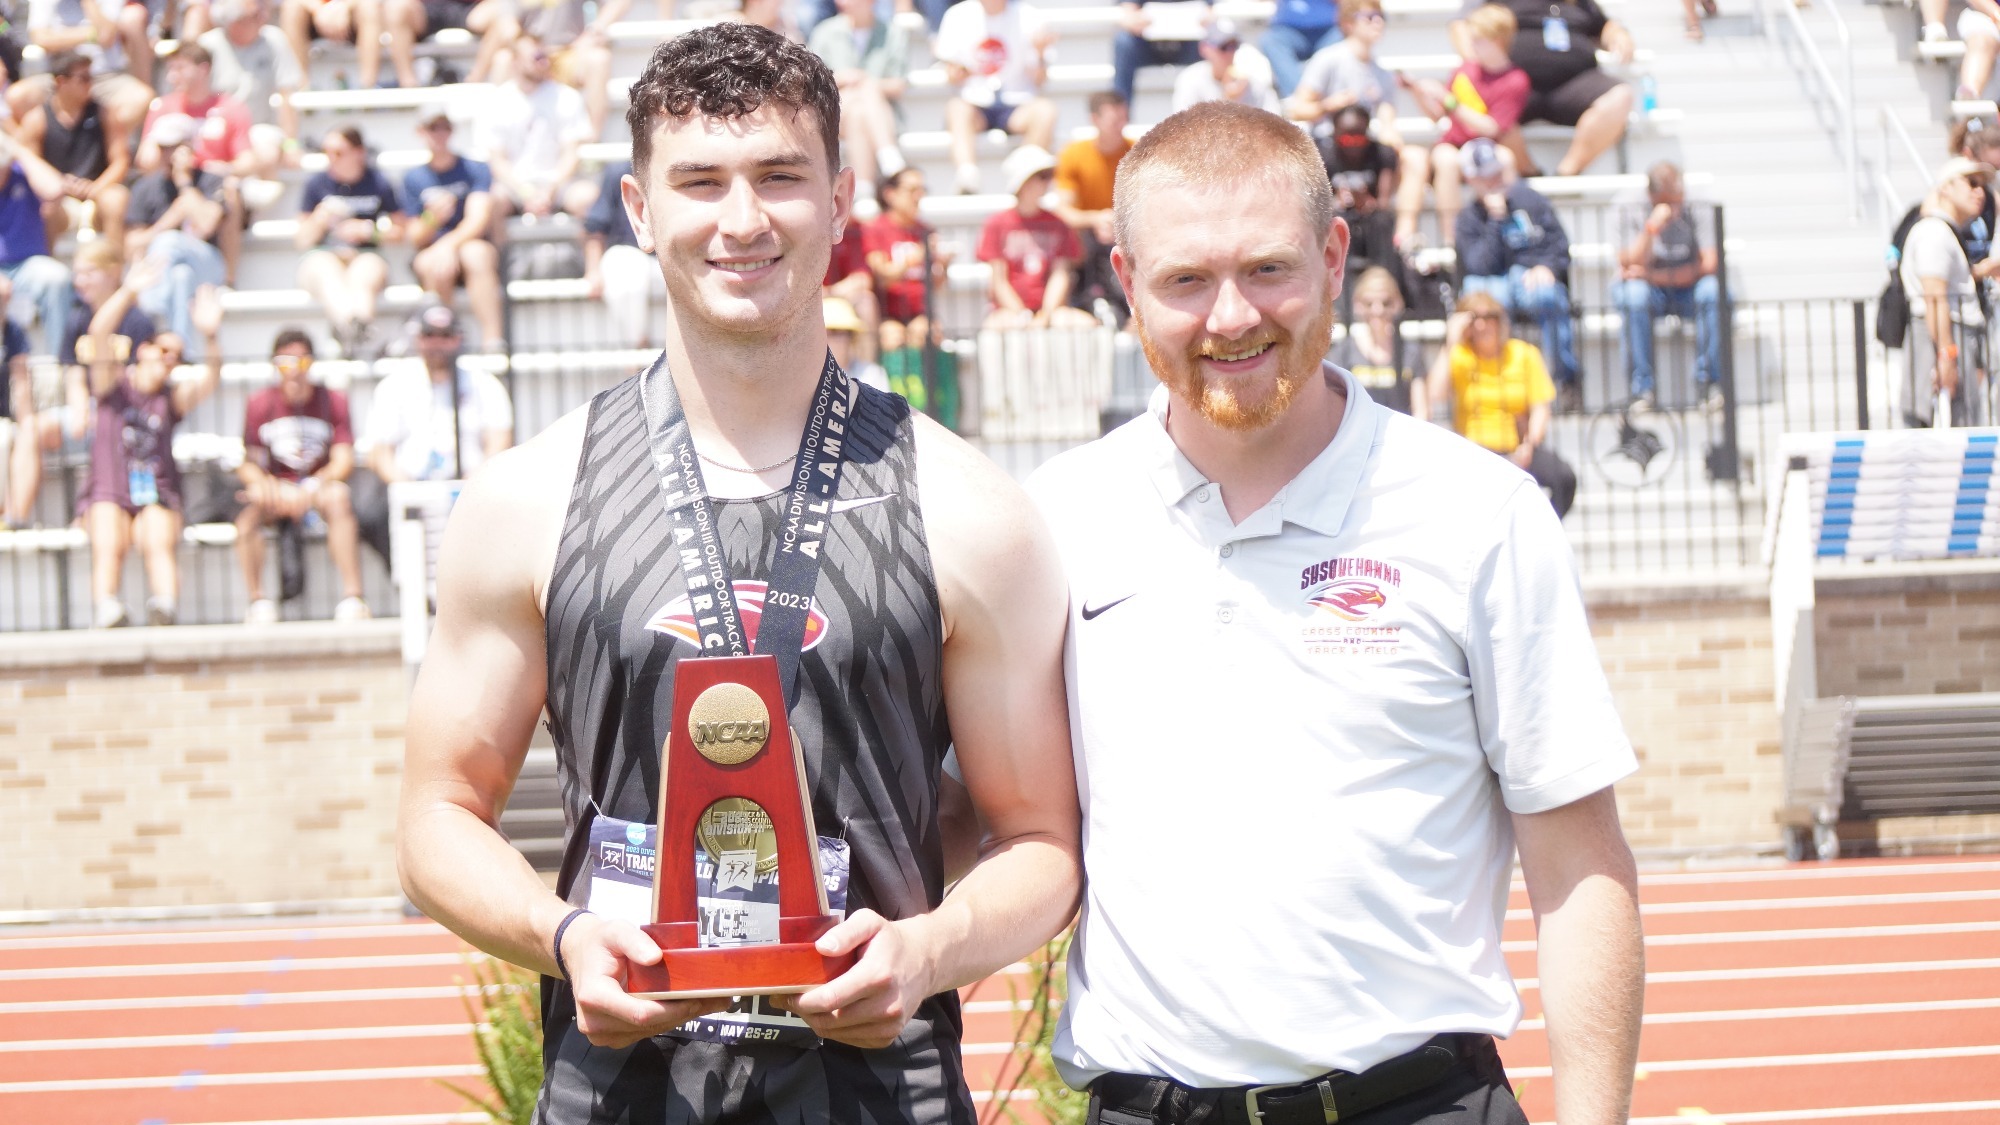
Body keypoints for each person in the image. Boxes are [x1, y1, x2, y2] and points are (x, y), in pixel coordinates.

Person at [395, 24, 1081, 1123]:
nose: (743, 219)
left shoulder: (969, 509)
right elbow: (435, 814)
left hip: (879, 1090)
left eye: (779, 176)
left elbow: (1041, 838)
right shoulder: (527, 497)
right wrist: (561, 936)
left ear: (842, 198)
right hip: (617, 1089)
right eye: (700, 181)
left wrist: (925, 950)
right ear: (636, 207)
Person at [1026, 100, 1636, 1125]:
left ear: (1334, 255)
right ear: (1126, 285)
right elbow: (995, 826)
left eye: (1267, 269)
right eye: (1185, 280)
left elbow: (1579, 869)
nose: (1231, 318)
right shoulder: (1051, 521)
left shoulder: (1477, 513)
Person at [80, 271, 224, 627]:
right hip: (108, 490)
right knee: (109, 538)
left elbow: (212, 377)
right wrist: (128, 290)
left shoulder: (170, 399)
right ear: (143, 350)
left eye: (177, 355)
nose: (170, 358)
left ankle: (165, 607)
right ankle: (107, 607)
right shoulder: (113, 385)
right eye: (164, 350)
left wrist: (210, 335)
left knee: (157, 538)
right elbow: (98, 333)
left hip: (155, 492)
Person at [352, 304, 512, 565]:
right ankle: (405, 576)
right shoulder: (394, 385)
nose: (438, 343)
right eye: (429, 335)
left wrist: (474, 482)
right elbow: (379, 453)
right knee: (371, 510)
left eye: (446, 335)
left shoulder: (484, 383)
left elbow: (500, 442)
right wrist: (408, 487)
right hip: (409, 489)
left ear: (459, 338)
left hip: (471, 490)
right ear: (417, 338)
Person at [237, 328, 371, 624]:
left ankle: (353, 597)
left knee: (339, 499)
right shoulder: (261, 403)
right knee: (247, 517)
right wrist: (264, 484)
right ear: (275, 365)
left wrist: (312, 486)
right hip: (278, 489)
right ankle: (257, 601)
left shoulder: (332, 400)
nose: (294, 372)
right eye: (286, 363)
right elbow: (249, 462)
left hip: (318, 484)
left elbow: (343, 458)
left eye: (302, 362)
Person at [1428, 290, 1577, 516]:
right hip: (1475, 450)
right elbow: (1435, 394)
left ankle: (1539, 535)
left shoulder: (1524, 354)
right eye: (1474, 319)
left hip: (1518, 445)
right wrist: (1450, 342)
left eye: (1489, 318)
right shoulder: (1459, 355)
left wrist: (1529, 444)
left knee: (1563, 478)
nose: (1482, 326)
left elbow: (1540, 407)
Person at [1454, 138, 1579, 397]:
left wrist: (1547, 267)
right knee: (1486, 303)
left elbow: (1559, 245)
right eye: (1485, 176)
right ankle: (1498, 388)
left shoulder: (1530, 200)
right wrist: (1495, 221)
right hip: (1494, 281)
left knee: (1547, 295)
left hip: (1529, 277)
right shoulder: (1468, 218)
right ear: (1470, 179)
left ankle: (1565, 382)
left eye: (1496, 172)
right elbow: (1479, 265)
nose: (1494, 180)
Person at [1396, 3, 1527, 250]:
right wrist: (1417, 91)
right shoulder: (1465, 70)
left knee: (1506, 160)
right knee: (1446, 160)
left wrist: (1450, 102)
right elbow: (1438, 115)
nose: (1472, 44)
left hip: (1488, 146)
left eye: (1478, 39)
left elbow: (1491, 128)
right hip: (1454, 144)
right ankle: (1452, 239)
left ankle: (1510, 232)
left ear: (1497, 41)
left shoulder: (1515, 79)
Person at [1461, 0, 1635, 177]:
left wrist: (1617, 34)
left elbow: (1604, 25)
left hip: (1575, 84)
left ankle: (1568, 172)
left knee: (1620, 96)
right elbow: (1465, 23)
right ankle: (1528, 173)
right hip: (1517, 84)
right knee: (1492, 109)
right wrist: (1474, 65)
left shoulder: (1579, 3)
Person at [123, 115, 233, 360]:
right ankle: (184, 351)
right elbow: (131, 245)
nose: (166, 154)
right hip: (170, 273)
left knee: (170, 243)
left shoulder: (211, 179)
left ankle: (152, 308)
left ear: (189, 147)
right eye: (162, 148)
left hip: (209, 267)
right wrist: (166, 224)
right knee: (180, 276)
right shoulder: (145, 187)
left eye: (172, 147)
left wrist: (184, 183)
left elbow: (206, 225)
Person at [1613, 161, 1720, 410]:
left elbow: (1710, 264)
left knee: (1713, 292)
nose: (1675, 208)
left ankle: (1709, 385)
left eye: (1677, 200)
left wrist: (1651, 275)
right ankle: (1642, 390)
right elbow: (1629, 263)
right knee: (1632, 296)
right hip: (1650, 292)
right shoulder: (1628, 205)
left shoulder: (1698, 204)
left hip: (1686, 288)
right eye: (1667, 202)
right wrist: (1651, 228)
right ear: (1652, 197)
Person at [296, 125, 406, 358]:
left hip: (365, 254)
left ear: (359, 152)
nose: (331, 159)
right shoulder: (316, 185)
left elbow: (400, 231)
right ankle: (359, 328)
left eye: (339, 152)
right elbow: (302, 239)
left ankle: (347, 332)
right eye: (328, 152)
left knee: (365, 273)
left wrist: (368, 231)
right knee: (326, 271)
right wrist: (319, 219)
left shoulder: (378, 183)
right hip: (324, 254)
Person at [473, 32, 599, 226]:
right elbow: (497, 161)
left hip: (559, 185)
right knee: (489, 201)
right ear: (515, 62)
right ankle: (500, 254)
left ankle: (592, 256)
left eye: (544, 56)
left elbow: (571, 154)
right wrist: (525, 193)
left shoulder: (566, 96)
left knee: (590, 198)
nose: (544, 62)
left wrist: (550, 189)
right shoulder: (497, 101)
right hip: (514, 187)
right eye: (536, 57)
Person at [403, 107, 504, 349]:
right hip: (435, 252)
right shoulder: (414, 178)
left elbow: (478, 219)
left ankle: (493, 341)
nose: (439, 134)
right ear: (420, 132)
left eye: (444, 127)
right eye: (432, 128)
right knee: (433, 264)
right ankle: (446, 344)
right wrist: (432, 219)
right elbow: (415, 236)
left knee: (475, 254)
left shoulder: (474, 168)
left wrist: (447, 245)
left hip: (467, 245)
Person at [1900, 157, 1988, 427]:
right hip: (1942, 336)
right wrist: (1946, 356)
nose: (1980, 191)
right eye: (1971, 182)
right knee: (1940, 428)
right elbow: (1935, 298)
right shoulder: (1934, 232)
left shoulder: (1943, 231)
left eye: (1982, 185)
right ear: (1946, 188)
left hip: (1946, 336)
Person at [935, 0, 1057, 194]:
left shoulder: (1031, 17)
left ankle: (1025, 174)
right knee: (956, 108)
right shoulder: (957, 16)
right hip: (975, 104)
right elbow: (951, 76)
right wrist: (960, 72)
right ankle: (967, 175)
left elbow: (1040, 80)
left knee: (1045, 111)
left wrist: (1040, 54)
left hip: (1018, 104)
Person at [17, 50, 131, 250]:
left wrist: (96, 188)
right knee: (46, 209)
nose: (90, 84)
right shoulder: (37, 119)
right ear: (62, 82)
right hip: (58, 198)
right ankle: (45, 267)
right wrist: (60, 184)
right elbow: (30, 165)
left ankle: (115, 268)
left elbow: (120, 161)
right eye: (84, 79)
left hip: (98, 193)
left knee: (116, 199)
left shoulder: (105, 114)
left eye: (90, 78)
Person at [978, 145, 1095, 329]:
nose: (1048, 182)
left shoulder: (1059, 223)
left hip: (1051, 310)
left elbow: (1060, 273)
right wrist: (1021, 314)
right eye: (1042, 176)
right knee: (997, 326)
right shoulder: (997, 223)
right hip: (1009, 311)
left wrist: (1046, 314)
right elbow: (999, 280)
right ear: (1023, 182)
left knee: (1086, 325)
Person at [807, 0, 912, 207]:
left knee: (860, 107)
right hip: (839, 110)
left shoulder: (893, 32)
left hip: (870, 111)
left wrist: (863, 81)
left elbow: (898, 84)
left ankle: (864, 189)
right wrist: (844, 79)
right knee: (865, 90)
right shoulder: (825, 32)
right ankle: (888, 153)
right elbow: (813, 83)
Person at [199, 0, 306, 172]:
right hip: (217, 125)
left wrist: (291, 143)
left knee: (267, 152)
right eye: (255, 15)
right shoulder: (207, 45)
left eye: (262, 11)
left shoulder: (274, 39)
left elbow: (287, 94)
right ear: (234, 22)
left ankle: (230, 178)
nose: (264, 18)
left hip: (256, 128)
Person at [1053, 91, 1131, 323]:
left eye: (1123, 118)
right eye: (1114, 120)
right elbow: (1064, 211)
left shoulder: (1137, 150)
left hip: (1125, 233)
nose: (1121, 125)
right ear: (1095, 120)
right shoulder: (1074, 155)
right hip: (1089, 241)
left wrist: (1115, 223)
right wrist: (1097, 219)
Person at [490, 0, 625, 135]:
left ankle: (591, 136)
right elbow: (507, 23)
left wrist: (593, 31)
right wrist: (524, 47)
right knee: (503, 61)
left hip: (569, 52)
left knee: (598, 60)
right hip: (528, 54)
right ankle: (501, 137)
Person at [1321, 107, 1410, 308]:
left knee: (1382, 221)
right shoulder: (1323, 155)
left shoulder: (1382, 153)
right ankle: (1338, 301)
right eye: (1346, 139)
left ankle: (1388, 289)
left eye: (1359, 138)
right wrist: (1337, 201)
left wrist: (1366, 201)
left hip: (1372, 226)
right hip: (1340, 220)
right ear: (1335, 134)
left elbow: (1383, 203)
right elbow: (1319, 202)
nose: (1353, 144)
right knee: (1335, 223)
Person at [0, 131, 79, 356]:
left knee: (57, 278)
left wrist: (19, 149)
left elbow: (55, 191)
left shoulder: (23, 174)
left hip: (27, 266)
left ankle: (61, 364)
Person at [138, 42, 258, 177]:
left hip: (213, 183)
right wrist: (154, 146)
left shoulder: (231, 107)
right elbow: (145, 159)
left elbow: (248, 161)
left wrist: (225, 169)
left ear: (203, 69)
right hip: (171, 181)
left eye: (180, 68)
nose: (171, 77)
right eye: (170, 69)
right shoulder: (162, 106)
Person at [581, 159, 663, 350]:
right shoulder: (618, 172)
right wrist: (593, 270)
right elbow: (596, 226)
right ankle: (638, 352)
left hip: (675, 261)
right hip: (632, 256)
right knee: (623, 265)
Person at [1288, 0, 1396, 138]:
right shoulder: (1327, 59)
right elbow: (1297, 110)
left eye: (1381, 16)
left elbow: (1388, 125)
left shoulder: (1382, 73)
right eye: (1370, 17)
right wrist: (1328, 105)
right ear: (1348, 24)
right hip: (1328, 146)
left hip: (1364, 147)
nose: (1378, 22)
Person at [1330, 266, 1426, 418]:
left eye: (1386, 303)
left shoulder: (1410, 350)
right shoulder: (1344, 351)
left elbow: (1422, 410)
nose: (1378, 310)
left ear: (1398, 303)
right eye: (1369, 303)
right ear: (1357, 305)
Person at [382, 0, 512, 91]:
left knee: (503, 13)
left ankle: (474, 81)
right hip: (425, 8)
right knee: (396, 7)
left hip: (469, 8)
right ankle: (408, 84)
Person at [1110, 0, 1206, 108]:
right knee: (1124, 42)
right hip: (1147, 42)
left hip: (1190, 43)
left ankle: (1214, 116)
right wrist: (1134, 19)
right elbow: (1128, 12)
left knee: (1213, 46)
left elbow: (1210, 12)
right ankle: (1119, 114)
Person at [1172, 19, 1278, 114]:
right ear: (1204, 49)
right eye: (1223, 47)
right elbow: (1184, 129)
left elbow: (1273, 125)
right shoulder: (1190, 80)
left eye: (1234, 46)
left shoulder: (1252, 80)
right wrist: (1227, 101)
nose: (1230, 53)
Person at [280, 0, 386, 92]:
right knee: (292, 7)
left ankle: (368, 85)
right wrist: (319, 10)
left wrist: (343, 8)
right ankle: (301, 86)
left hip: (351, 12)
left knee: (369, 7)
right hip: (314, 13)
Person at [0, 297, 36, 528]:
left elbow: (21, 383)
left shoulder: (11, 330)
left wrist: (27, 421)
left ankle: (12, 519)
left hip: (3, 419)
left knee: (22, 432)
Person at [1260, 0, 1340, 98]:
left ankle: (1319, 96)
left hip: (1328, 30)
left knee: (1343, 38)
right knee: (1270, 40)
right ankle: (1299, 99)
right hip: (1289, 30)